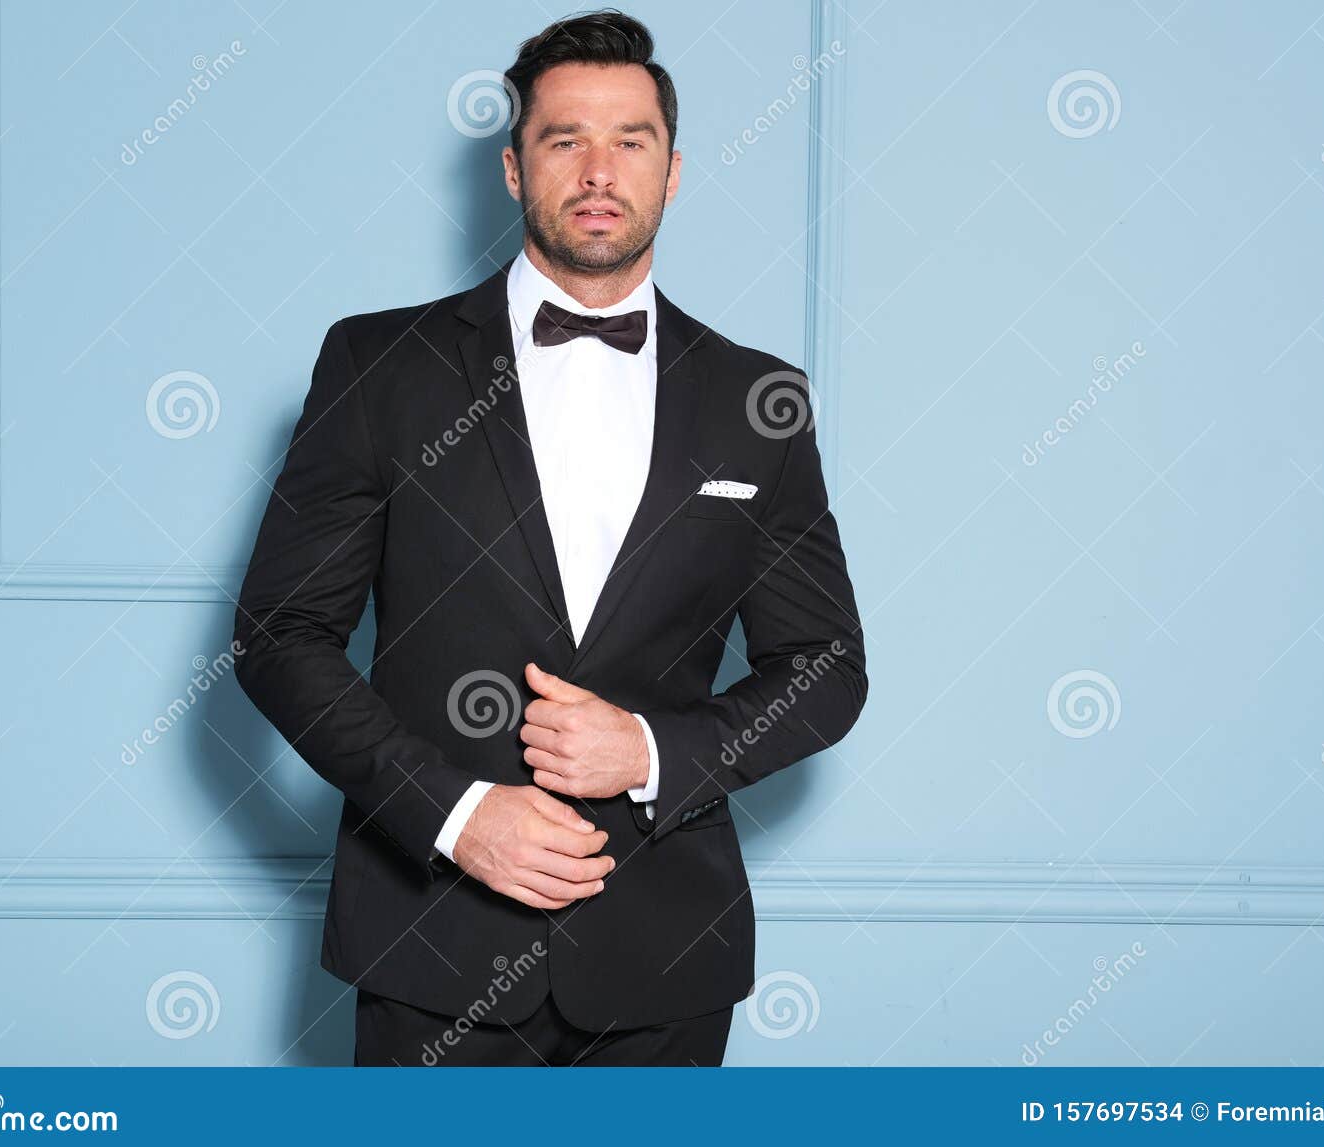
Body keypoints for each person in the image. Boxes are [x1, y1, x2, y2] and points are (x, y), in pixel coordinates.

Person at [232, 8, 866, 1066]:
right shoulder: (377, 364)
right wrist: (455, 811)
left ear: (673, 171)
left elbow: (826, 666)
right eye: (565, 139)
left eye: (631, 140)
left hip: (665, 957)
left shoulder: (759, 396)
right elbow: (280, 633)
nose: (599, 168)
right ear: (514, 169)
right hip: (429, 942)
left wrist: (657, 748)